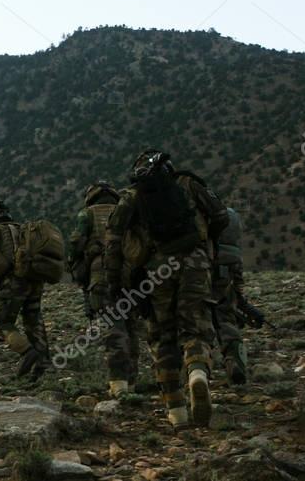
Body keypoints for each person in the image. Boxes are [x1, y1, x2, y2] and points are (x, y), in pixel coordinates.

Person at [104, 151, 228, 428]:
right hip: (195, 261)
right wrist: (208, 246)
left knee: (162, 335)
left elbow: (112, 240)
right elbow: (221, 216)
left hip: (157, 270)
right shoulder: (188, 184)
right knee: (194, 325)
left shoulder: (131, 196)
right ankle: (197, 373)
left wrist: (115, 281)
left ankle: (177, 410)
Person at [69, 181, 141, 397]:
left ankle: (118, 383)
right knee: (131, 328)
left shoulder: (87, 215)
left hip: (101, 275)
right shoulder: (128, 212)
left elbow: (76, 244)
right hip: (132, 276)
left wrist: (77, 266)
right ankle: (132, 383)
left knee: (113, 327)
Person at [0, 200, 51, 380]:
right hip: (35, 281)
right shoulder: (24, 229)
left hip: (13, 282)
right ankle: (43, 361)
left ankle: (27, 352)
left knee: (3, 323)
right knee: (33, 318)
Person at [211, 207, 248, 385]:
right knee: (226, 318)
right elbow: (238, 280)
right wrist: (239, 298)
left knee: (196, 321)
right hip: (230, 262)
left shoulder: (207, 214)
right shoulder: (232, 215)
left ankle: (198, 368)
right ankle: (235, 362)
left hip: (205, 262)